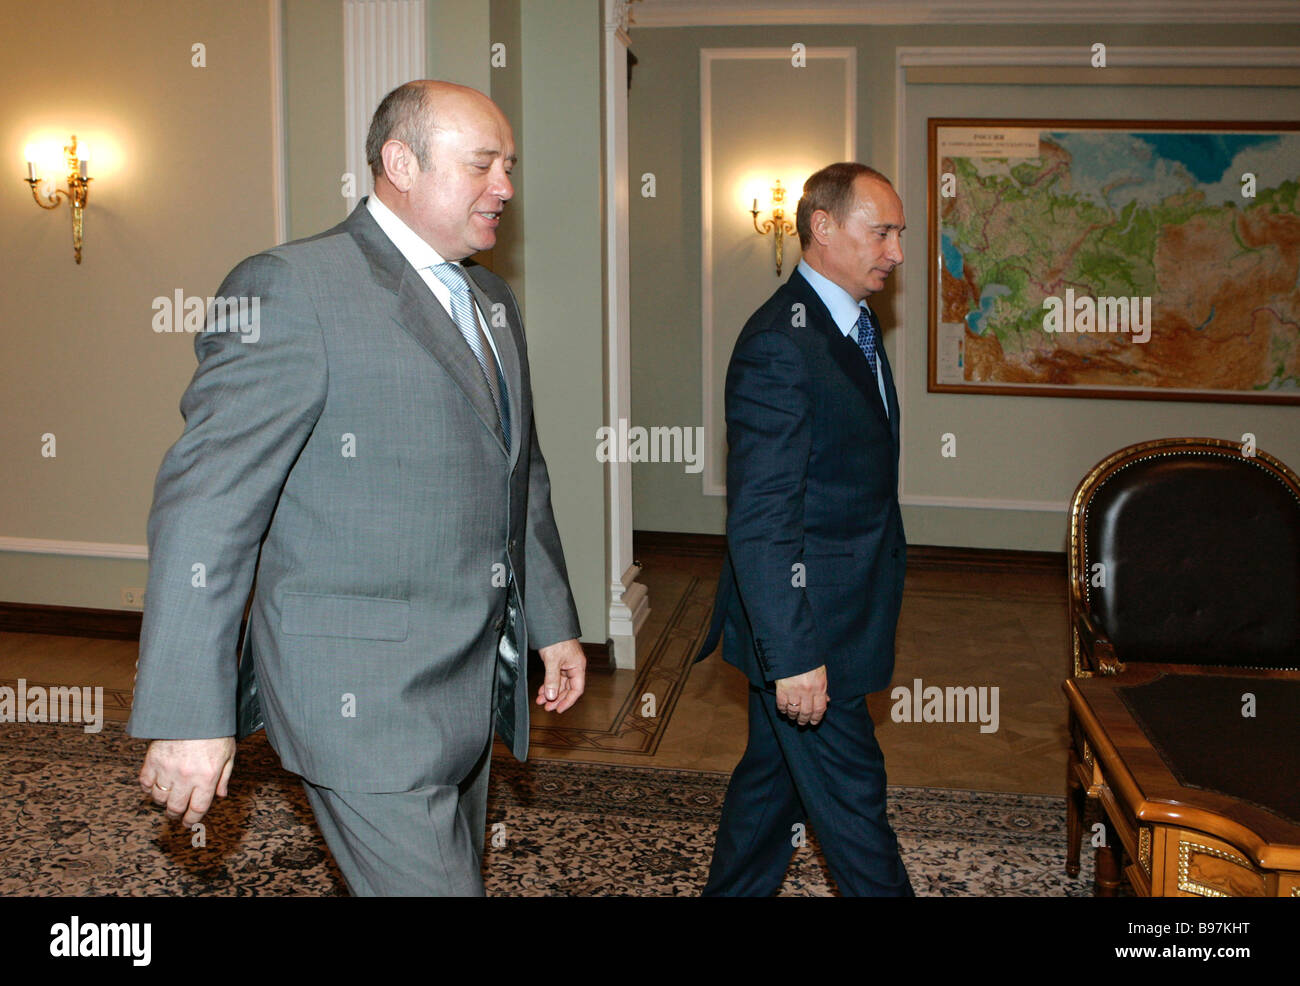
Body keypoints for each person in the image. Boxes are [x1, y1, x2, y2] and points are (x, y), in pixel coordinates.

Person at [127, 80, 586, 896]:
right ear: (400, 163)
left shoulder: (490, 299)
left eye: (509, 167)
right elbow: (207, 509)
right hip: (359, 700)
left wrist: (549, 618)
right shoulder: (291, 288)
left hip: (473, 684)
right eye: (482, 164)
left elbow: (523, 472)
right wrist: (189, 712)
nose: (506, 188)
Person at [695, 162, 913, 896]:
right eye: (881, 231)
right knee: (855, 811)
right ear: (823, 227)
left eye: (899, 234)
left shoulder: (852, 322)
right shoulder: (779, 345)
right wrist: (792, 657)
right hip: (810, 631)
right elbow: (761, 518)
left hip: (839, 613)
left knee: (769, 797)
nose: (896, 252)